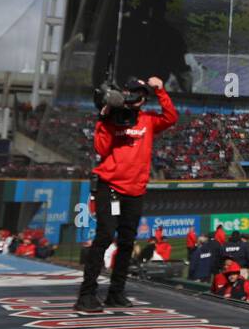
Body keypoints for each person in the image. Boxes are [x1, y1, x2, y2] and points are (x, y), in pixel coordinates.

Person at [75, 76, 178, 313]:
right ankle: (87, 294)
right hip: (111, 188)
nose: (134, 97)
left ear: (143, 99)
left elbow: (171, 117)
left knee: (127, 242)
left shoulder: (148, 120)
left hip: (135, 191)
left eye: (138, 94)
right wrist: (105, 115)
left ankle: (115, 293)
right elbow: (101, 149)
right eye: (129, 92)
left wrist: (161, 90)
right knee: (104, 236)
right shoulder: (111, 117)